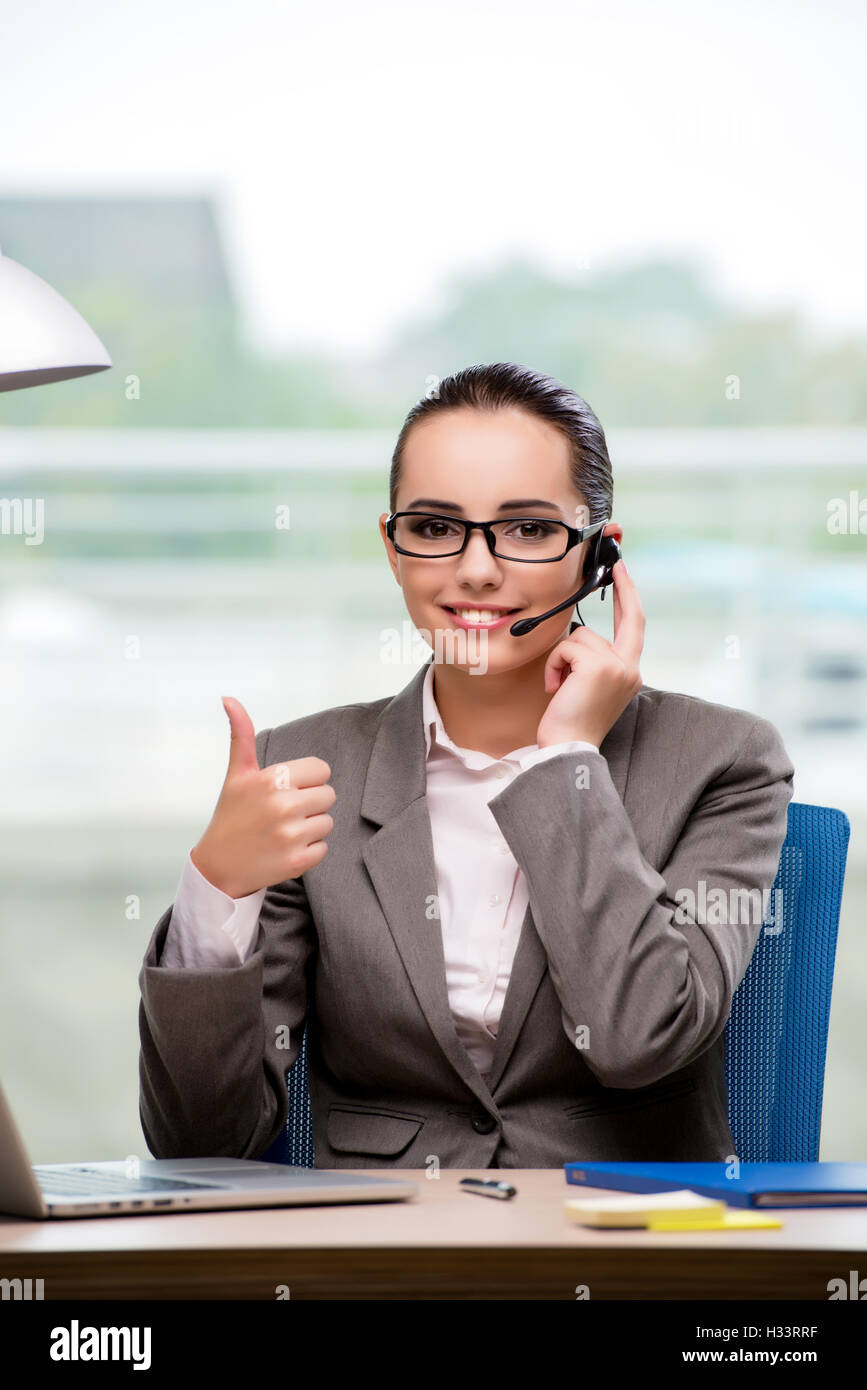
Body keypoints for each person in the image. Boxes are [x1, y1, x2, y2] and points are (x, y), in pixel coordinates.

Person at [138, 361, 794, 1168]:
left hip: (622, 1242)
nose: (476, 569)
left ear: (597, 555)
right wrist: (216, 892)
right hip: (384, 1256)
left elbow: (640, 1040)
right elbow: (204, 1144)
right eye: (435, 526)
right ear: (392, 547)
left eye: (525, 529)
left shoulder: (721, 761)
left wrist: (567, 763)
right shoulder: (305, 769)